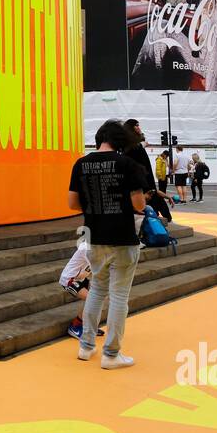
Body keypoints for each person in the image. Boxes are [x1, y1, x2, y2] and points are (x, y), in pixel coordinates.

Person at [68, 119, 145, 370]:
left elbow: (72, 203)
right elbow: (139, 205)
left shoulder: (80, 164)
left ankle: (86, 346)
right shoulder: (128, 164)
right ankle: (111, 354)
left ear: (100, 137)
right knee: (119, 296)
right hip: (122, 237)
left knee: (98, 290)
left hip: (94, 237)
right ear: (120, 140)